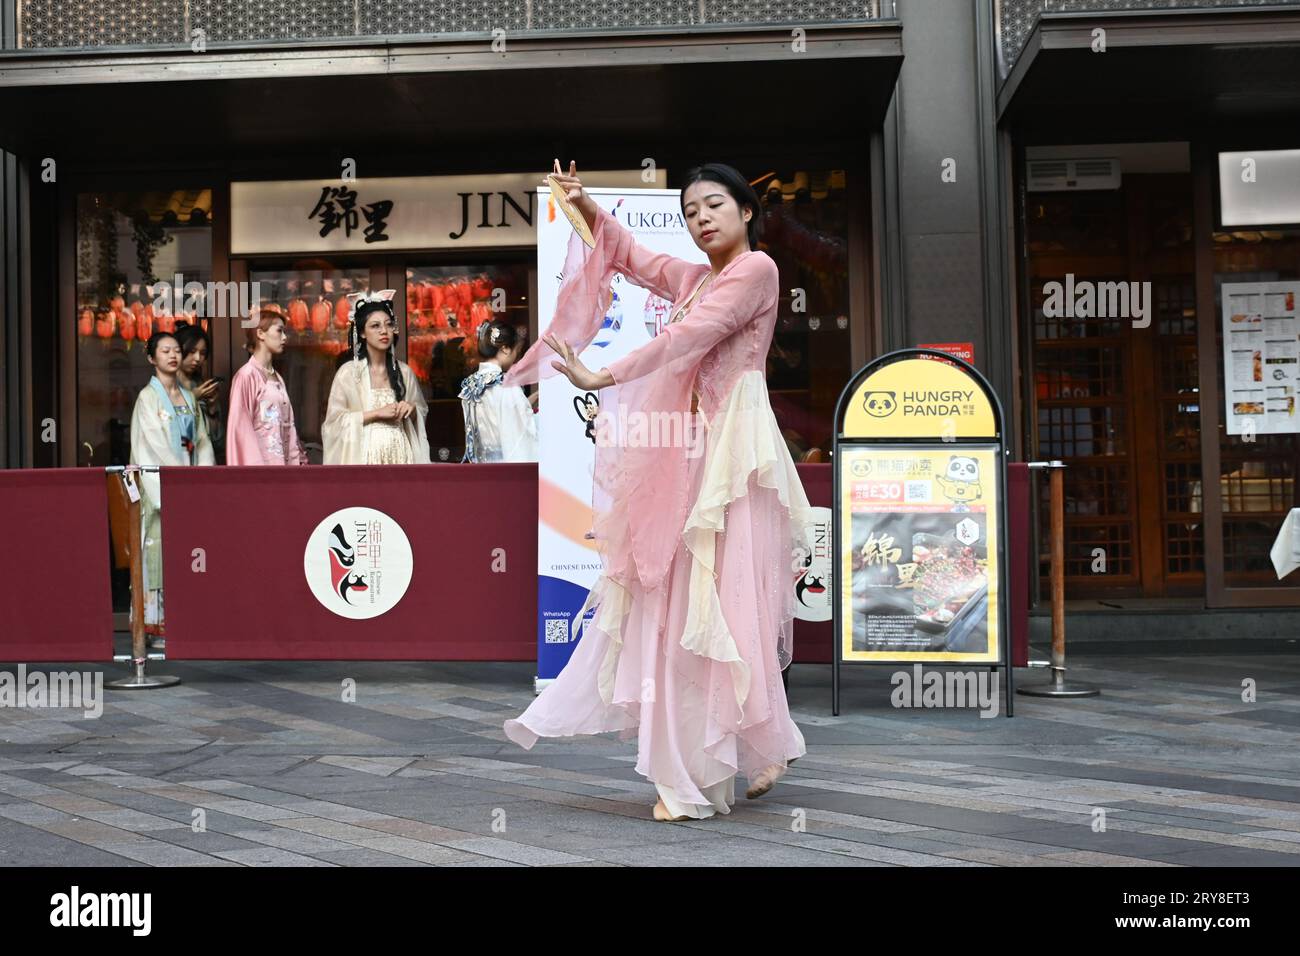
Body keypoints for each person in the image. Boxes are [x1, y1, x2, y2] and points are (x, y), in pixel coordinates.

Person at [502, 160, 813, 821]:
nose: (700, 218)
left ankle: (731, 758)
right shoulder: (700, 277)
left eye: (712, 206)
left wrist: (602, 375)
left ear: (746, 211)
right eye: (690, 210)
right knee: (687, 605)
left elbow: (688, 336)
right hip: (697, 443)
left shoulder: (755, 272)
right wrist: (586, 210)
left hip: (734, 447)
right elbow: (638, 260)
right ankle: (728, 759)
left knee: (720, 603)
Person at [129, 330, 216, 640]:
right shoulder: (147, 398)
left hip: (186, 483)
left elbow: (202, 440)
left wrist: (203, 475)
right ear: (152, 358)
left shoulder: (189, 396)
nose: (172, 355)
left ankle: (187, 617)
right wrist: (179, 477)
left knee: (186, 550)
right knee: (156, 547)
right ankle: (154, 620)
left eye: (176, 349)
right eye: (164, 350)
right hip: (160, 484)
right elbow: (153, 445)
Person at [322, 290, 430, 464]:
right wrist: (376, 414)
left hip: (401, 455)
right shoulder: (348, 373)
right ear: (362, 333)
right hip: (364, 458)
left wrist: (412, 410)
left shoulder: (404, 372)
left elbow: (421, 412)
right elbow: (334, 424)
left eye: (388, 325)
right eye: (375, 326)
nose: (384, 331)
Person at [226, 304, 308, 466]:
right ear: (260, 333)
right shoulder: (246, 376)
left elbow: (288, 425)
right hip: (260, 472)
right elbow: (240, 430)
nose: (284, 337)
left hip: (284, 470)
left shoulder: (277, 377)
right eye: (279, 331)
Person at [460, 320, 538, 462]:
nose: (516, 357)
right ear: (505, 349)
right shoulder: (505, 385)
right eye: (517, 351)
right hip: (505, 463)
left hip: (481, 463)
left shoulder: (470, 385)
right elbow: (520, 429)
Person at [174, 321, 224, 461]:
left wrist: (212, 409)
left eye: (202, 353)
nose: (197, 358)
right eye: (191, 352)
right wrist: (192, 397)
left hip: (203, 462)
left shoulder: (203, 385)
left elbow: (218, 442)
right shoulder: (165, 386)